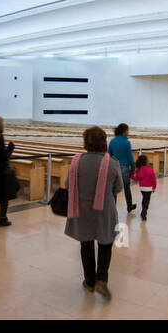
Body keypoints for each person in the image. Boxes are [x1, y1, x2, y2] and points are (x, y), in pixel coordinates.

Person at [64, 126, 122, 299]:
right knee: (106, 244)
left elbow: (68, 185)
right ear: (104, 141)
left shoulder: (76, 161)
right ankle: (102, 280)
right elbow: (118, 188)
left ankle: (89, 281)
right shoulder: (112, 163)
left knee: (86, 244)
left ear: (85, 142)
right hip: (104, 210)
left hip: (81, 209)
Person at [109, 123, 137, 215]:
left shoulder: (112, 141)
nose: (128, 132)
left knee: (114, 189)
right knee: (126, 188)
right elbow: (130, 158)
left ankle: (113, 208)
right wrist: (133, 168)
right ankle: (129, 206)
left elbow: (109, 155)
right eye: (128, 131)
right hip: (124, 168)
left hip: (114, 167)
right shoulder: (126, 142)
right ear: (124, 131)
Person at [130, 154, 156, 221]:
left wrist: (131, 175)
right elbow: (154, 180)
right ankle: (144, 213)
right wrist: (154, 187)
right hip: (148, 188)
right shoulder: (150, 170)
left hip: (142, 188)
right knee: (147, 201)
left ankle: (143, 211)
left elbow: (136, 179)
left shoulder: (139, 170)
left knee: (144, 199)